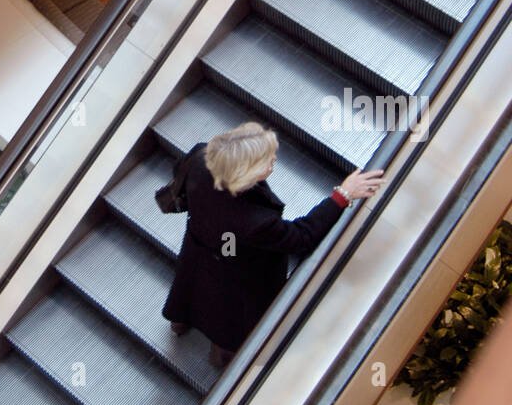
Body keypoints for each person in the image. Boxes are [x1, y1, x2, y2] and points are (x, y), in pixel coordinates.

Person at [162, 122, 384, 367]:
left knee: (192, 287)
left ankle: (180, 320)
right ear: (245, 175)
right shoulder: (255, 222)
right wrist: (343, 194)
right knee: (230, 317)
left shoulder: (201, 157)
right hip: (238, 268)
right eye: (268, 161)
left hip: (201, 244)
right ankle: (223, 356)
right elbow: (301, 237)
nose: (274, 159)